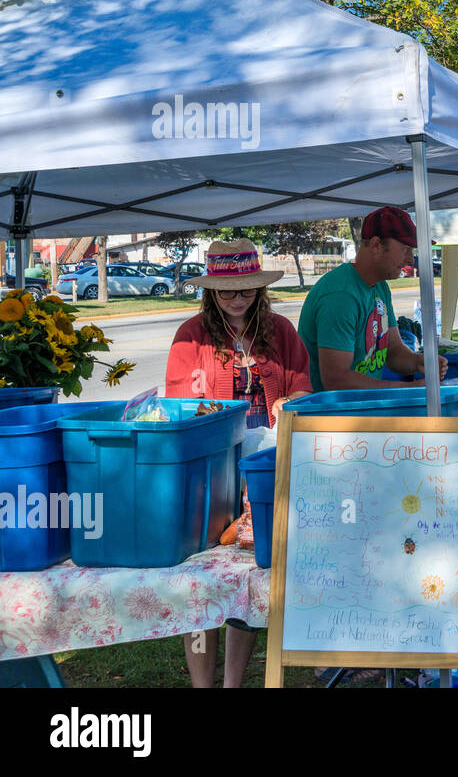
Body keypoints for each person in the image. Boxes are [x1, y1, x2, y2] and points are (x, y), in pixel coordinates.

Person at [165, 239, 314, 687]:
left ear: (259, 289)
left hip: (263, 471)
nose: (236, 298)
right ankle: (202, 685)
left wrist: (293, 403)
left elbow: (304, 387)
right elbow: (177, 406)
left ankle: (232, 683)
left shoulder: (281, 331)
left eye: (246, 290)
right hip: (208, 471)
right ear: (210, 291)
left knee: (247, 577)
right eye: (227, 291)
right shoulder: (191, 335)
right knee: (200, 581)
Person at [297, 207, 445, 391]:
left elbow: (394, 351)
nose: (410, 259)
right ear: (376, 245)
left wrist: (418, 362)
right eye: (406, 249)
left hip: (360, 412)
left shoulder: (380, 286)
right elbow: (336, 380)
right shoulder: (341, 296)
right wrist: (403, 390)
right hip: (331, 416)